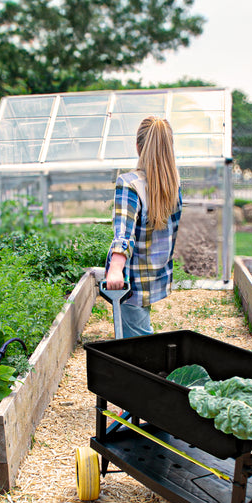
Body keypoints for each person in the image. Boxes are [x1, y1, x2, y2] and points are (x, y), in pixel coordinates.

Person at [105, 116, 182, 338]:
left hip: (130, 283)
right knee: (139, 333)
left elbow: (124, 232)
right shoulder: (173, 186)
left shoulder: (129, 183)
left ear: (138, 147)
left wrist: (116, 268)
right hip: (155, 278)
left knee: (138, 345)